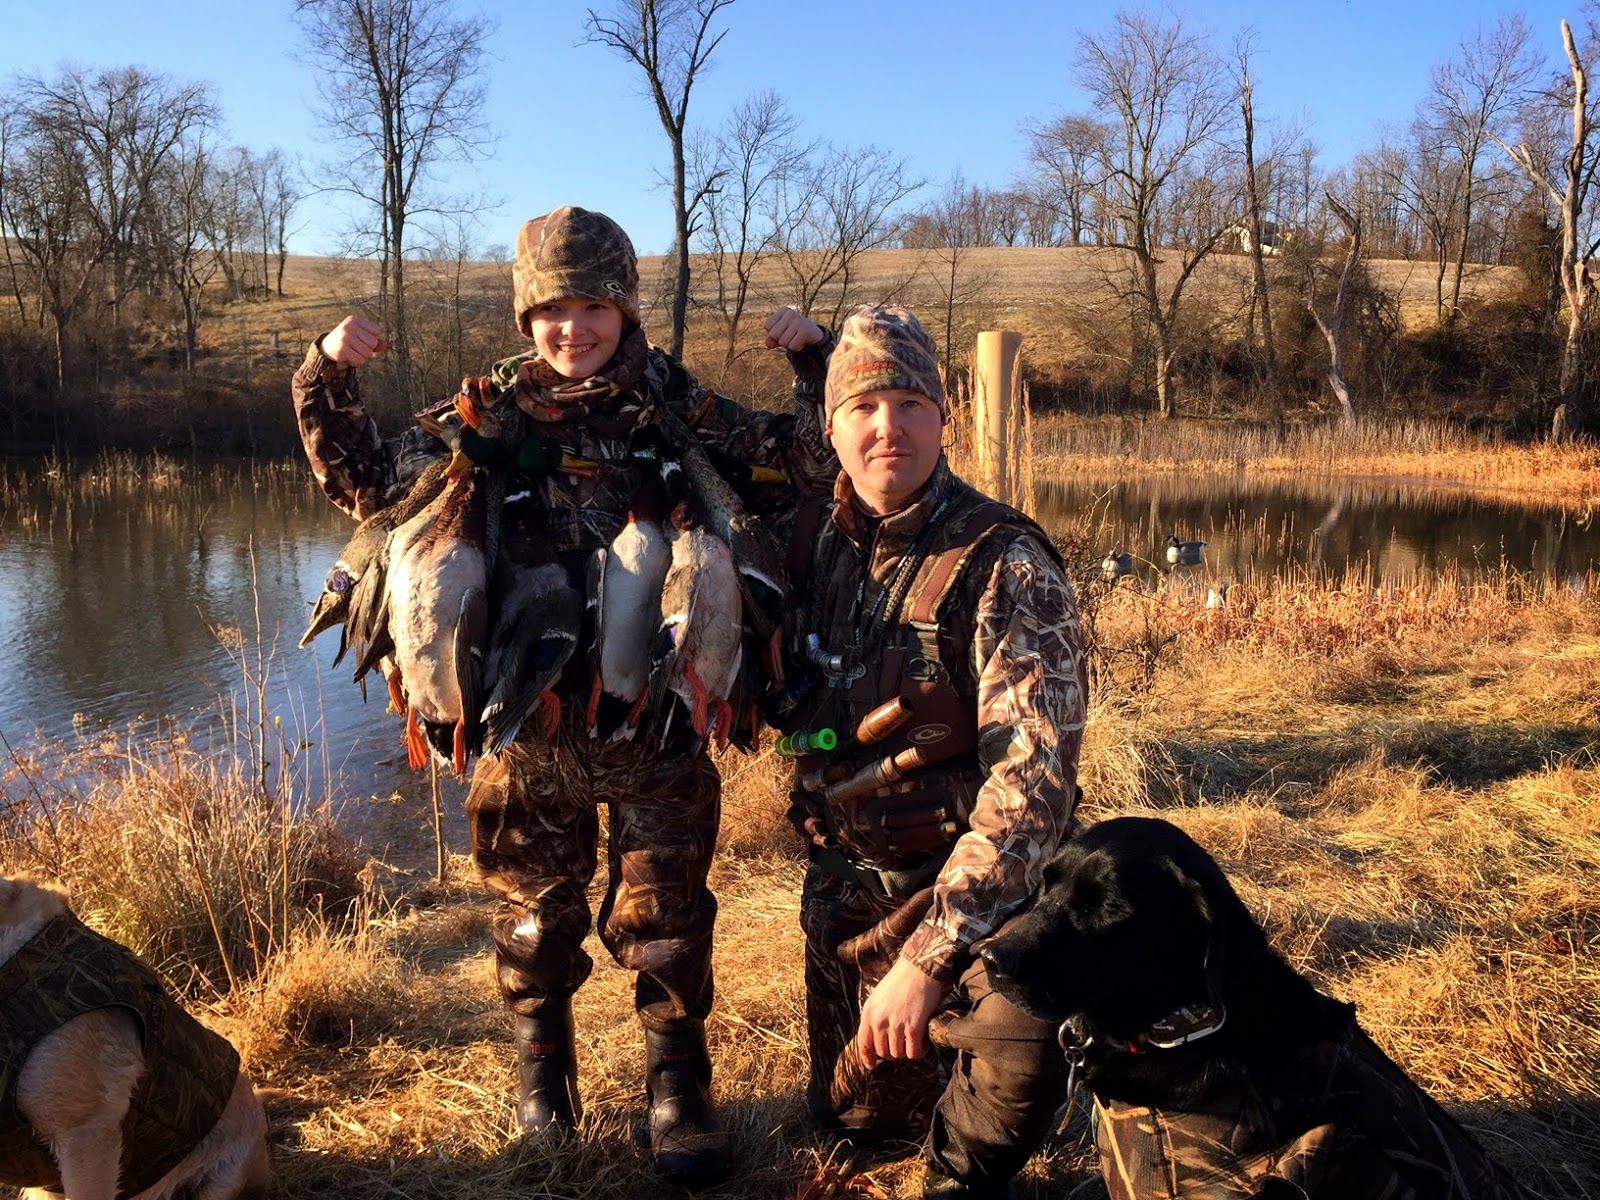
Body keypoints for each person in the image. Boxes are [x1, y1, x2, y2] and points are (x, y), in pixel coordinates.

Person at [290, 205, 834, 1188]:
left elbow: (802, 465)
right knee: (533, 914)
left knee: (667, 910)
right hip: (526, 732)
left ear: (625, 310)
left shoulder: (678, 408)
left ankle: (678, 1083)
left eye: (593, 307)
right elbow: (369, 485)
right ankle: (546, 1071)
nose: (571, 328)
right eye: (550, 309)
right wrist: (328, 375)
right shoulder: (484, 416)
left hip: (658, 730)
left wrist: (813, 364)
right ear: (525, 316)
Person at [773, 306, 1087, 1199]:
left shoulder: (1004, 561)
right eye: (864, 408)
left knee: (1002, 1104)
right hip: (846, 899)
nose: (889, 428)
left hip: (970, 900)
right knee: (857, 1125)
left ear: (944, 420)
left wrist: (928, 959)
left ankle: (1048, 1033)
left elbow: (1033, 787)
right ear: (830, 428)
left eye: (911, 404)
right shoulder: (808, 544)